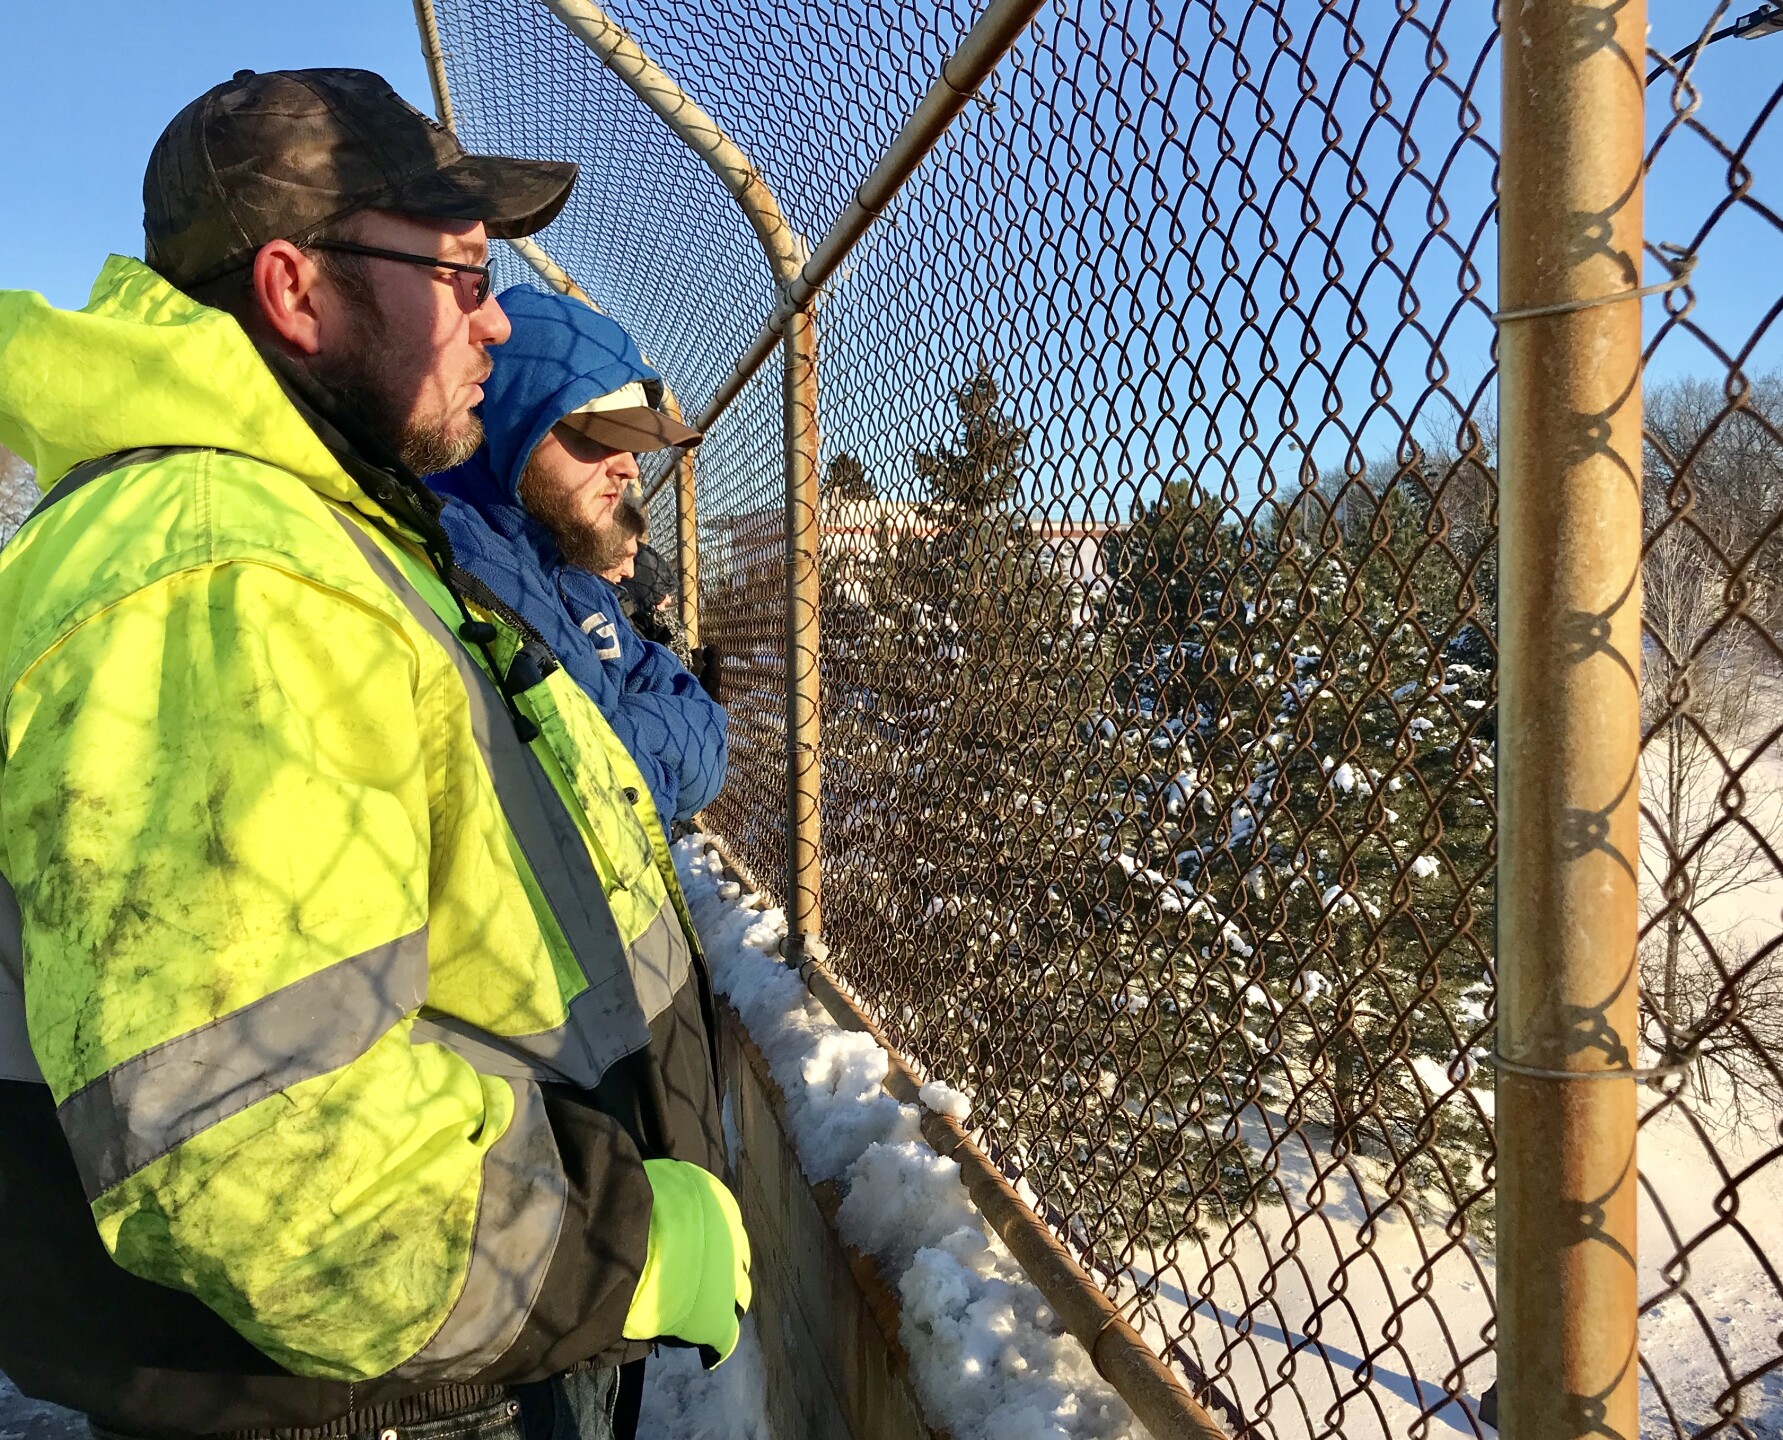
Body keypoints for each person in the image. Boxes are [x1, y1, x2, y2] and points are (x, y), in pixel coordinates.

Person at [0, 68, 747, 1440]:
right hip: (376, 1382)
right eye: (461, 275)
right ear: (296, 291)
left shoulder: (318, 532)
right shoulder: (221, 582)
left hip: (434, 1352)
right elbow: (255, 1141)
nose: (495, 319)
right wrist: (620, 1250)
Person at [428, 286, 727, 823]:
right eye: (600, 435)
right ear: (514, 422)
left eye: (633, 442)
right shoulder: (460, 562)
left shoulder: (573, 576)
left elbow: (707, 749)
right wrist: (645, 738)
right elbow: (588, 795)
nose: (630, 467)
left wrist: (622, 733)